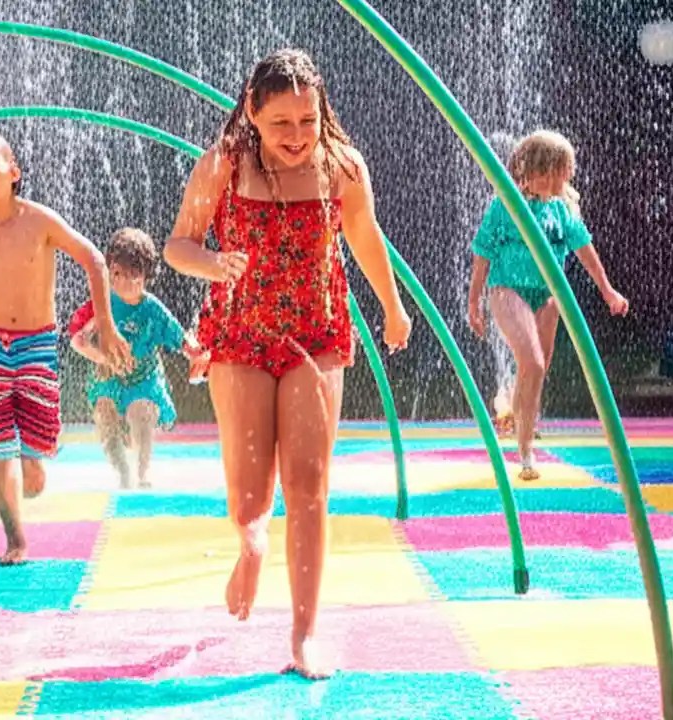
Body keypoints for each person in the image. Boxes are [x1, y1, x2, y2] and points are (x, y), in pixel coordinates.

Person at [162, 49, 412, 678]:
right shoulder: (225, 162)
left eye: (307, 120)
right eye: (281, 123)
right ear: (252, 111)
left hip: (315, 333)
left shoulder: (342, 166)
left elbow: (365, 236)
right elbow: (178, 245)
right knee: (251, 493)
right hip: (240, 333)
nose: (297, 136)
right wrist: (212, 262)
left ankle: (304, 635)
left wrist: (393, 306)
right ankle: (251, 544)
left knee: (308, 484)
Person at [0, 133, 131, 566]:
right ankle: (15, 539)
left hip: (36, 344)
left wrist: (106, 325)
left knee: (34, 474)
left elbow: (95, 260)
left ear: (14, 172)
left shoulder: (39, 221)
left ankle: (35, 456)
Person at [467, 129, 629, 480]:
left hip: (549, 296)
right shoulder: (506, 205)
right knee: (534, 363)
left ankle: (518, 421)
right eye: (561, 170)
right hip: (508, 289)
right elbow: (482, 253)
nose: (567, 178)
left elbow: (585, 250)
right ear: (541, 170)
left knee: (536, 371)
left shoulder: (561, 209)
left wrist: (608, 291)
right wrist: (474, 302)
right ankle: (526, 453)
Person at [67, 227, 205, 489]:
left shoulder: (152, 309)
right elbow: (77, 340)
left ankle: (142, 473)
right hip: (108, 379)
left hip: (144, 379)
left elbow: (180, 338)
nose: (124, 283)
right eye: (117, 275)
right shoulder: (102, 304)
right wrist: (102, 358)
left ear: (146, 277)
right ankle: (122, 473)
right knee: (105, 416)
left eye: (133, 277)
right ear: (109, 272)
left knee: (141, 414)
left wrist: (195, 353)